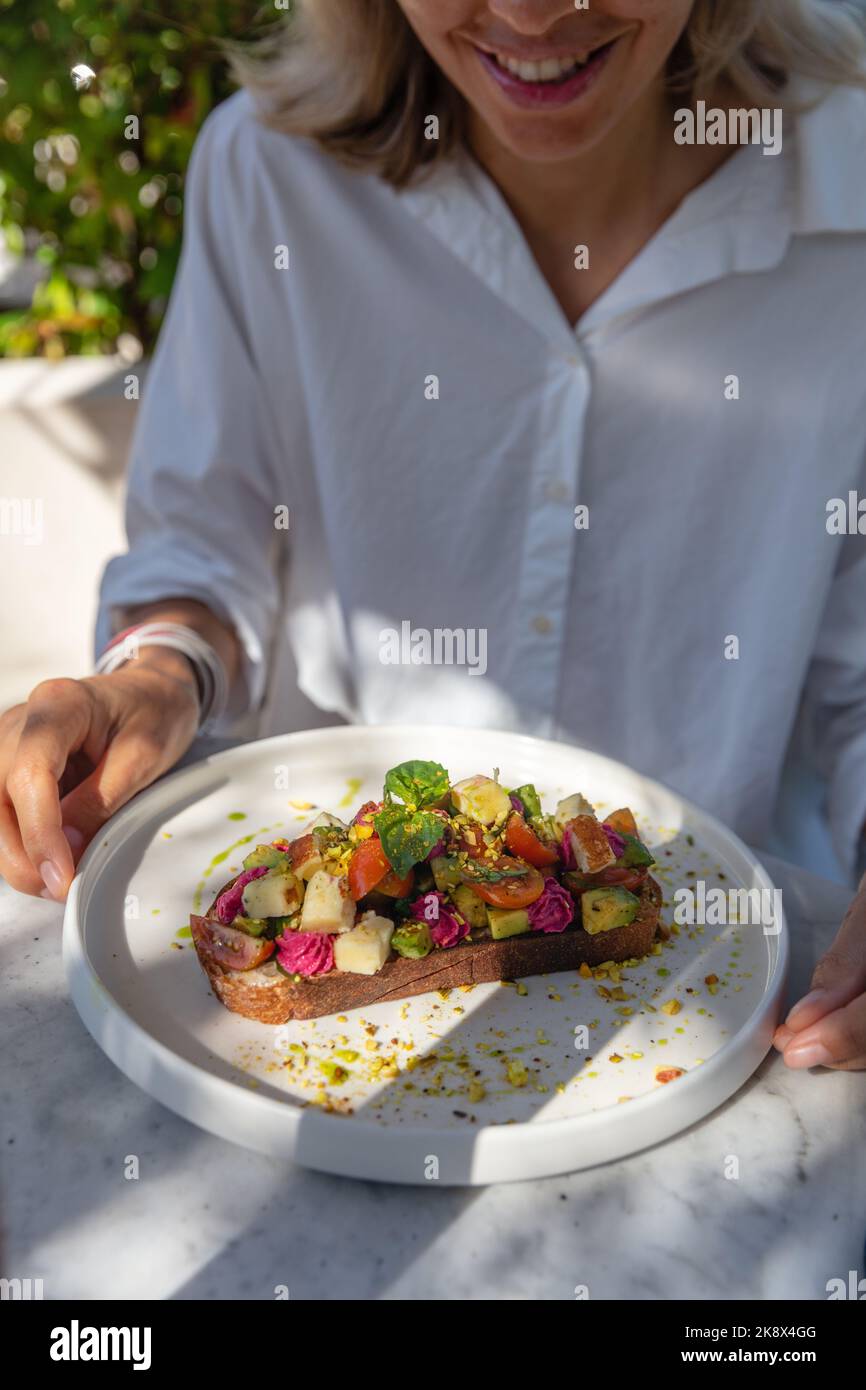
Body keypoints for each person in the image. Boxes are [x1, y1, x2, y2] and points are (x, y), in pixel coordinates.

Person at [1, 0, 865, 1070]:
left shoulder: (848, 182)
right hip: (290, 1052)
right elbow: (203, 552)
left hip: (723, 1010)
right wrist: (153, 674)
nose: (530, 11)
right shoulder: (266, 171)